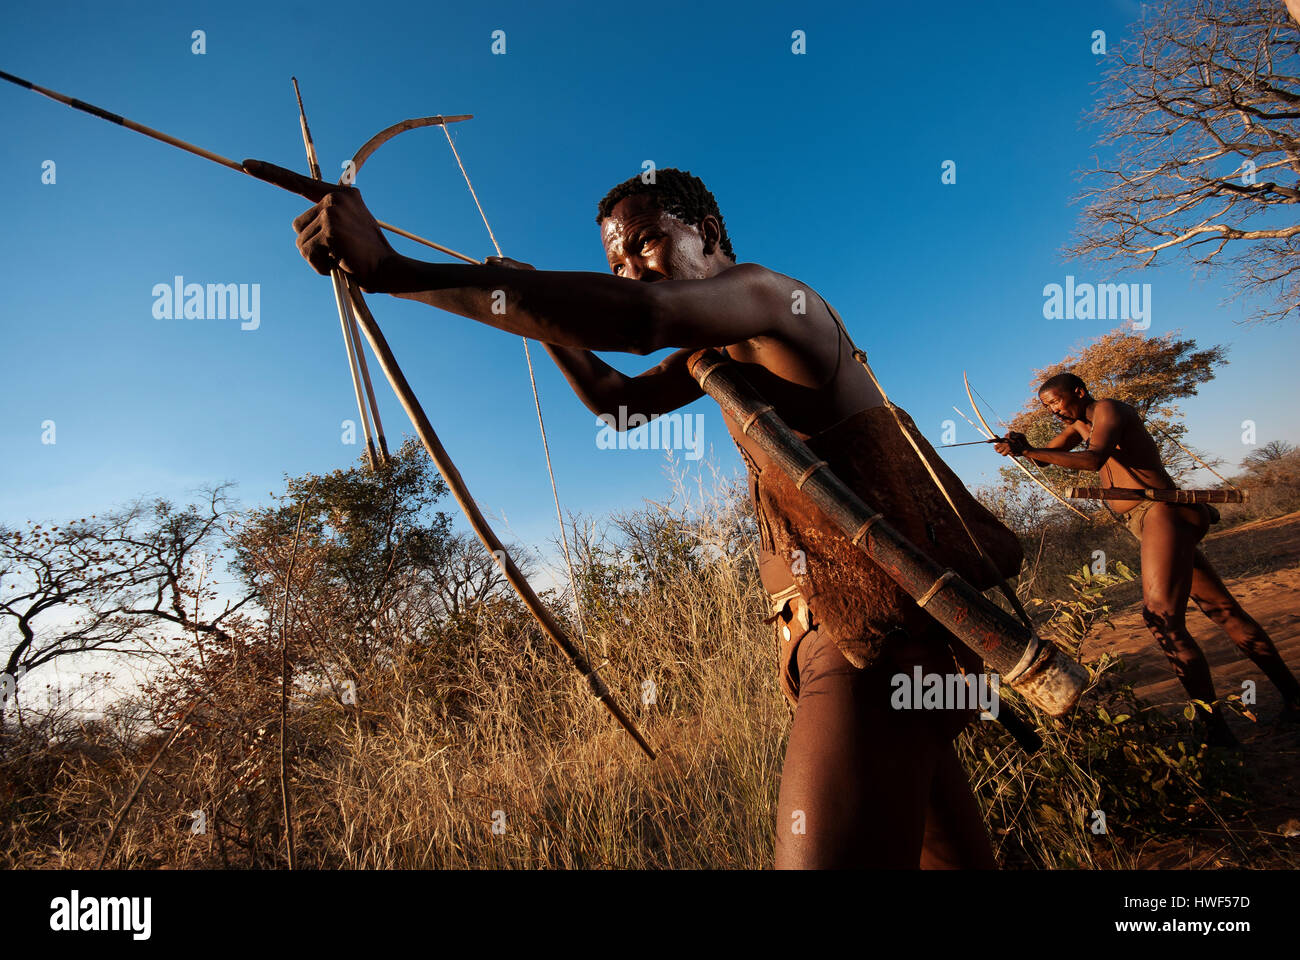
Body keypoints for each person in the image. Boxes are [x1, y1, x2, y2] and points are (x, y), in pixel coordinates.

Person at [278, 164, 1022, 867]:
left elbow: (639, 318)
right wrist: (520, 299)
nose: (631, 267)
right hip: (894, 648)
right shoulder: (724, 344)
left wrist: (395, 270)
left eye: (646, 243)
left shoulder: (766, 296)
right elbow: (618, 402)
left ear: (704, 228)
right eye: (617, 261)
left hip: (867, 650)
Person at [996, 373, 1300, 746]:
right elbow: (1048, 458)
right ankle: (1295, 699)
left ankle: (1217, 732)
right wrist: (1021, 446)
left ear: (1079, 391)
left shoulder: (1108, 410)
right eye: (1047, 406)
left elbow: (1093, 461)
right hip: (1150, 518)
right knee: (1222, 609)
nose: (1054, 410)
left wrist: (1029, 452)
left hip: (1161, 512)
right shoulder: (1080, 423)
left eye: (1056, 401)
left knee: (1161, 619)